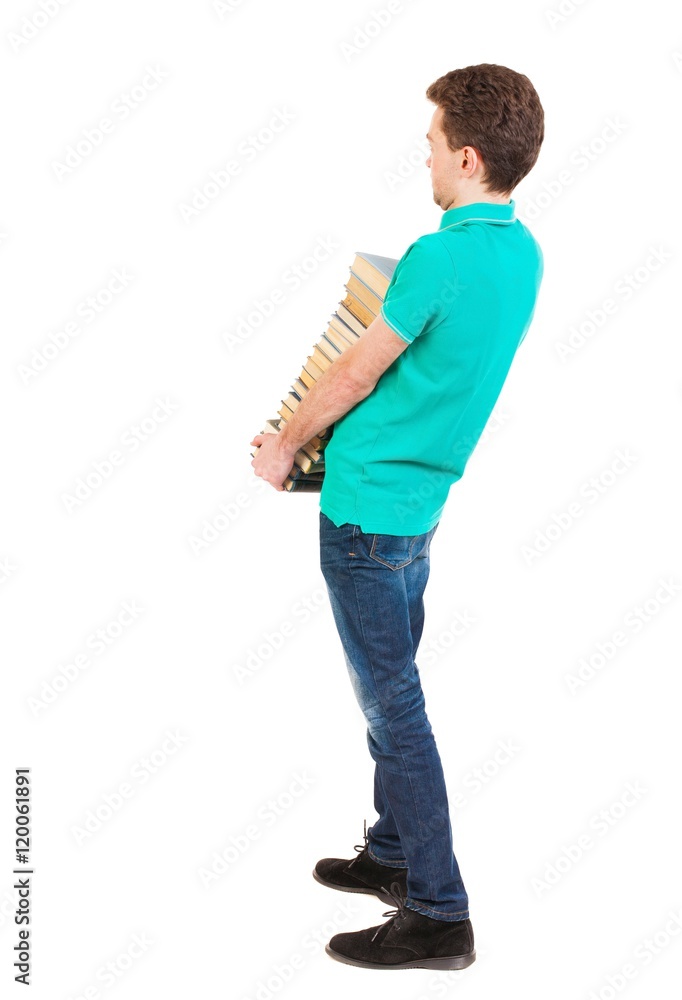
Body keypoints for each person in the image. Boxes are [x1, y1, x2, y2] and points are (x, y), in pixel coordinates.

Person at [251, 63, 545, 970]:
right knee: (390, 685)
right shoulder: (523, 254)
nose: (425, 158)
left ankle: (439, 911)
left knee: (394, 704)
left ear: (468, 157)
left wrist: (282, 444)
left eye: (432, 145)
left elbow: (353, 374)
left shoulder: (439, 256)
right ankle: (390, 850)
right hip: (418, 510)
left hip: (366, 512)